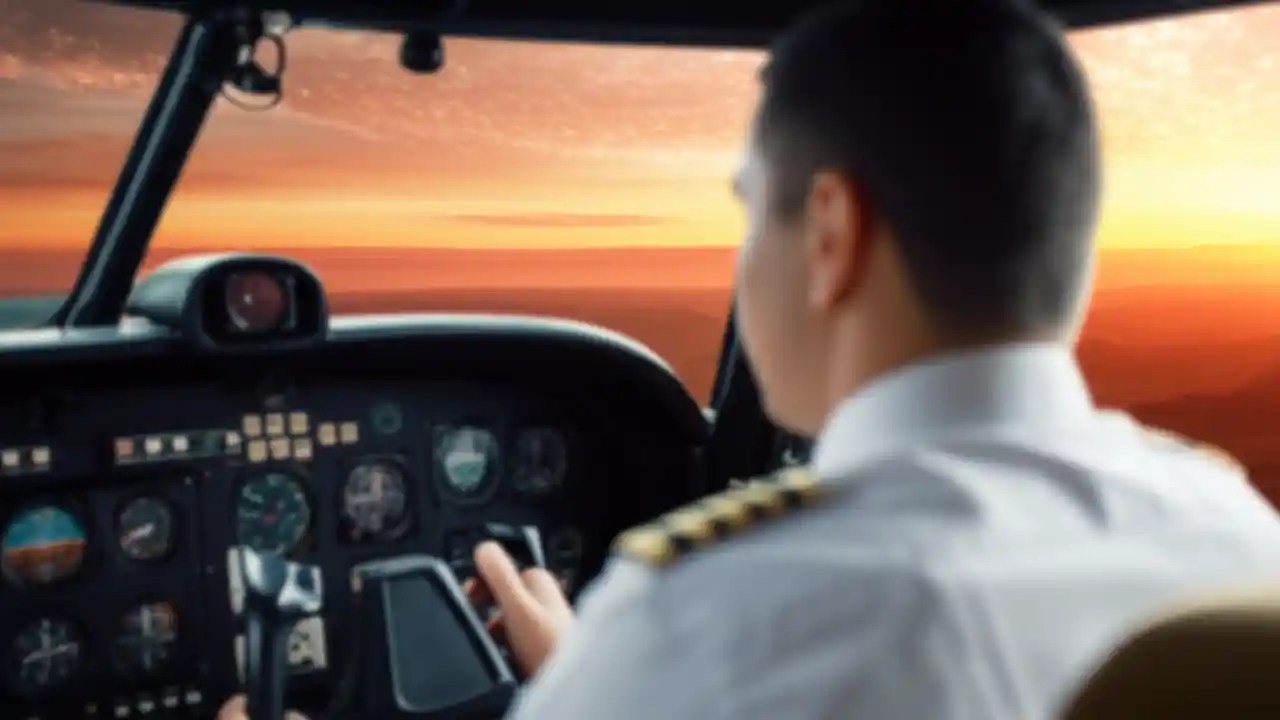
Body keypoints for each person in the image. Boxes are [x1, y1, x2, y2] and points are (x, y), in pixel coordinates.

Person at [221, 0, 1280, 718]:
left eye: (749, 215)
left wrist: (617, 669)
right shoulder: (1233, 537)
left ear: (829, 233)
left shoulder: (714, 624)